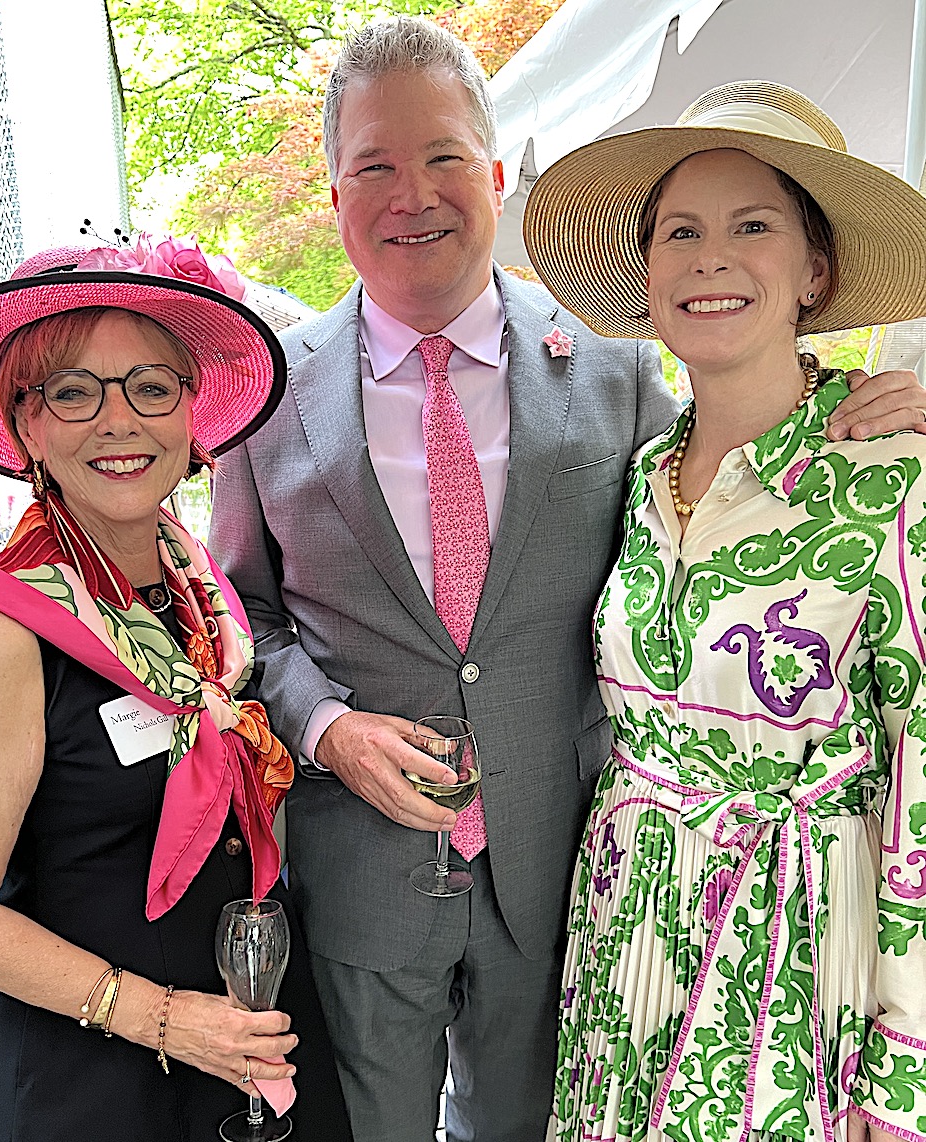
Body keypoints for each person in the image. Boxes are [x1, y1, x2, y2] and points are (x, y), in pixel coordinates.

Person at [208, 19, 926, 1142]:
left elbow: (761, 455)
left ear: (491, 174)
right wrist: (328, 725)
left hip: (574, 888)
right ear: (336, 189)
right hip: (365, 883)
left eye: (443, 157)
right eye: (374, 167)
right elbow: (243, 615)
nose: (414, 196)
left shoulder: (621, 377)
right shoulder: (269, 394)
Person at [522, 81, 926, 1142]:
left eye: (753, 225)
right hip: (624, 953)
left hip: (800, 966)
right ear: (646, 274)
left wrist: (905, 1067)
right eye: (680, 231)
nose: (710, 257)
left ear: (814, 269)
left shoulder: (892, 473)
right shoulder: (646, 470)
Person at [0, 257, 351, 1141]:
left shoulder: (198, 587)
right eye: (75, 392)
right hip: (91, 1080)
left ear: (192, 413)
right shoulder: (0, 630)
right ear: (28, 426)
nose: (119, 420)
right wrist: (166, 1020)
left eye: (151, 387)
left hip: (242, 1042)